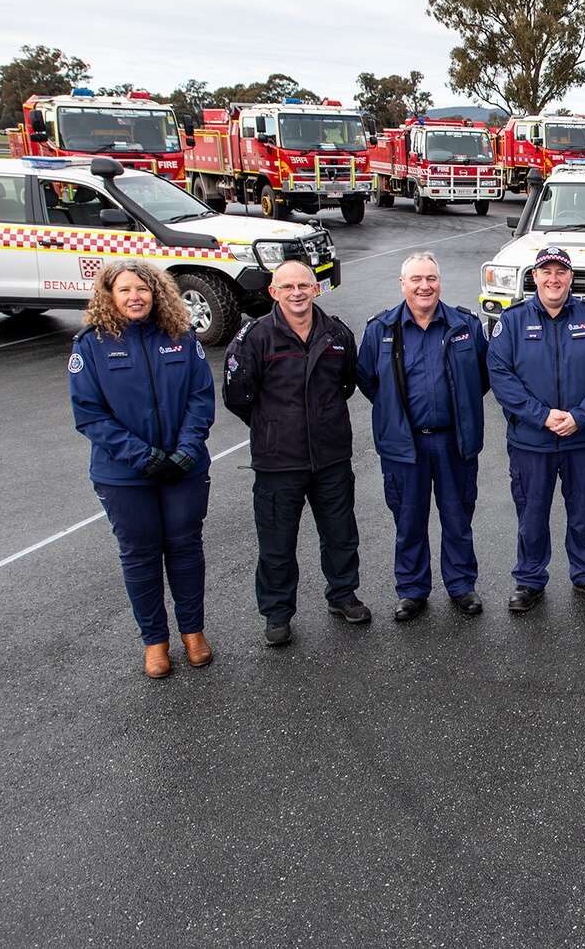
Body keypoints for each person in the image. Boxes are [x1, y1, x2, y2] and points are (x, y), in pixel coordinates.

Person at [68, 261, 215, 678]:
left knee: (186, 548)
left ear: (157, 293)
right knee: (140, 555)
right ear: (109, 296)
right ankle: (155, 641)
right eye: (125, 290)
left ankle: (193, 633)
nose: (136, 296)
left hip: (183, 467)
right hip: (125, 474)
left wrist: (187, 448)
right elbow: (90, 415)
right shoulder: (91, 346)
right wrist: (141, 455)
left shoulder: (182, 339)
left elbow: (201, 398)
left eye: (143, 289)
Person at [223, 259, 364, 647]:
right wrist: (272, 426)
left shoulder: (337, 333)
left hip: (331, 456)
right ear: (273, 292)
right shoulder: (254, 338)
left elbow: (347, 383)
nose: (297, 293)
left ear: (316, 289)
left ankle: (343, 595)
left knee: (340, 534)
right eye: (287, 287)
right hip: (277, 461)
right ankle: (277, 613)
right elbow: (238, 396)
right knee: (277, 543)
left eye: (304, 285)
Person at [487, 246, 585, 612]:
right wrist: (542, 416)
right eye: (546, 272)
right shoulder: (512, 321)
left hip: (582, 437)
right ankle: (529, 579)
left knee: (583, 510)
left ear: (570, 278)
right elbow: (501, 376)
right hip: (531, 439)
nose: (554, 279)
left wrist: (580, 415)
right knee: (532, 512)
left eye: (560, 272)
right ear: (535, 277)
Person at [357, 253, 491, 621]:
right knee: (409, 519)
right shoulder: (380, 330)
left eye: (431, 278)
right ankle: (412, 590)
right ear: (402, 284)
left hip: (453, 441)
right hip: (405, 444)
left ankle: (461, 585)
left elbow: (481, 377)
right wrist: (398, 415)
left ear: (440, 282)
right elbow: (368, 380)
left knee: (458, 515)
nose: (424, 286)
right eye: (416, 279)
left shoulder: (465, 325)